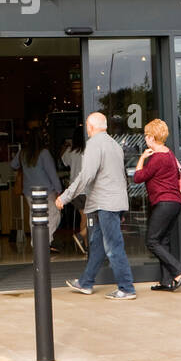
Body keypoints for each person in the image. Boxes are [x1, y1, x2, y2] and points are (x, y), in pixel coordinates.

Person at [56, 112, 136, 299]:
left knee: (113, 247)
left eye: (87, 125)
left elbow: (86, 176)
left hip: (105, 203)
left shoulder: (94, 144)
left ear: (90, 127)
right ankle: (86, 283)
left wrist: (65, 197)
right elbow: (120, 175)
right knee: (98, 244)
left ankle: (126, 288)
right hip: (113, 202)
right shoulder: (114, 144)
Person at [133, 118, 181, 292]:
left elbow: (137, 177)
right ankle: (166, 281)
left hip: (164, 202)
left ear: (151, 137)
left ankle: (178, 271)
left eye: (146, 135)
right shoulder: (169, 154)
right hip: (175, 202)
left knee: (152, 241)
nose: (145, 138)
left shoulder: (157, 158)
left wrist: (142, 158)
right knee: (163, 241)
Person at [10, 127, 64, 254]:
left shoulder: (23, 153)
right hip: (46, 191)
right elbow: (52, 173)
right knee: (55, 214)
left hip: (29, 192)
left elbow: (13, 165)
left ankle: (37, 243)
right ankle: (44, 241)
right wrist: (59, 190)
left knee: (34, 216)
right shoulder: (44, 153)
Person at [60, 125, 87, 254]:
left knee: (84, 217)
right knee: (90, 218)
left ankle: (85, 245)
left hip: (75, 190)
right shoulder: (89, 150)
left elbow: (63, 161)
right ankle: (82, 237)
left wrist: (65, 146)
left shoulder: (70, 151)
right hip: (87, 189)